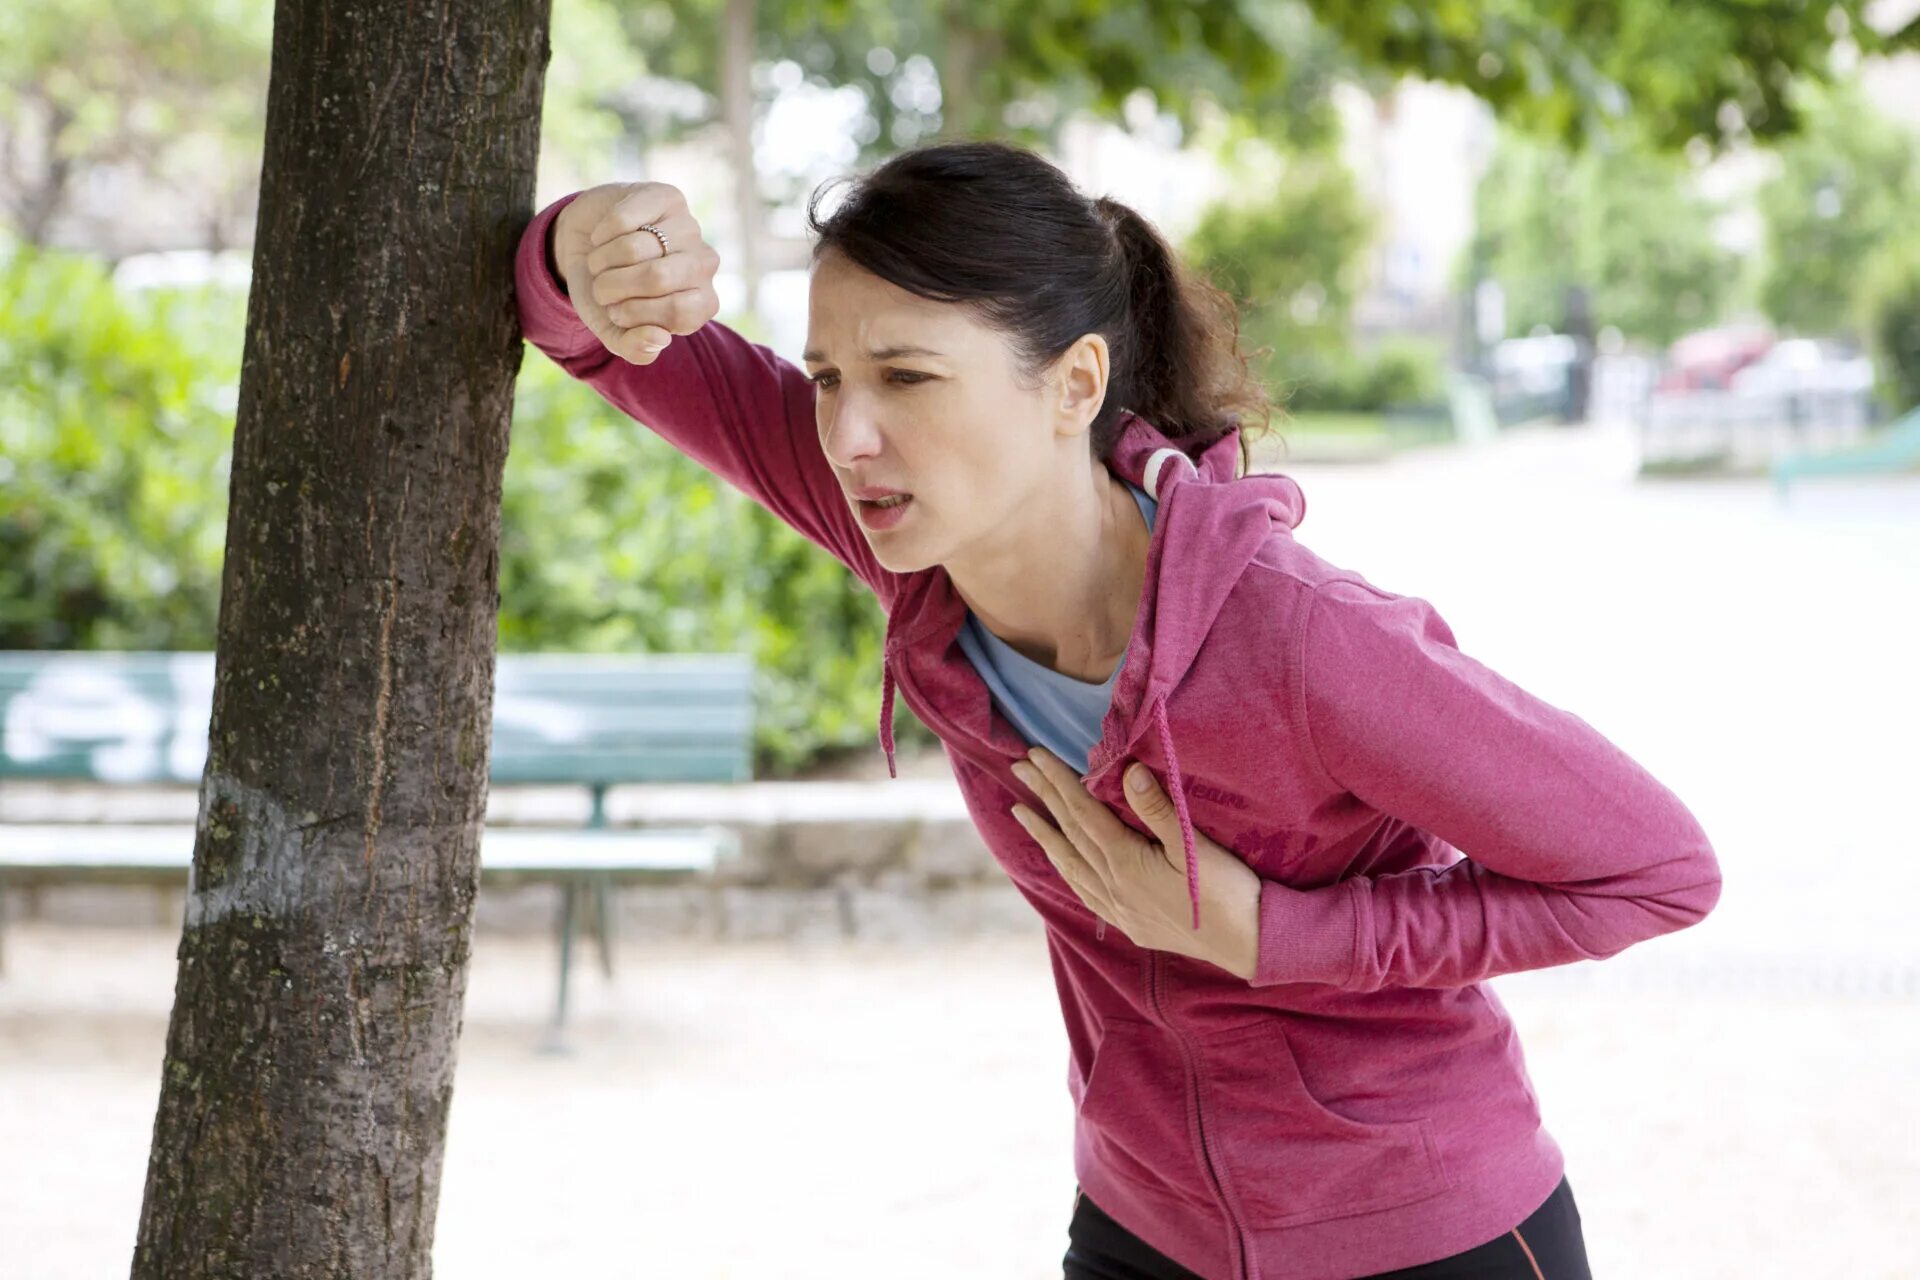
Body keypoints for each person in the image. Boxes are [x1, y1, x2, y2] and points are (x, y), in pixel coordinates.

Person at [515, 139, 1722, 1280]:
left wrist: (1272, 935)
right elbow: (600, 339)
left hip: (1418, 1231)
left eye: (907, 376)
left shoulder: (1301, 639)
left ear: (1073, 384)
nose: (847, 432)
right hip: (1142, 1227)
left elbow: (1657, 871)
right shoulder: (914, 538)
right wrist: (586, 245)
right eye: (828, 375)